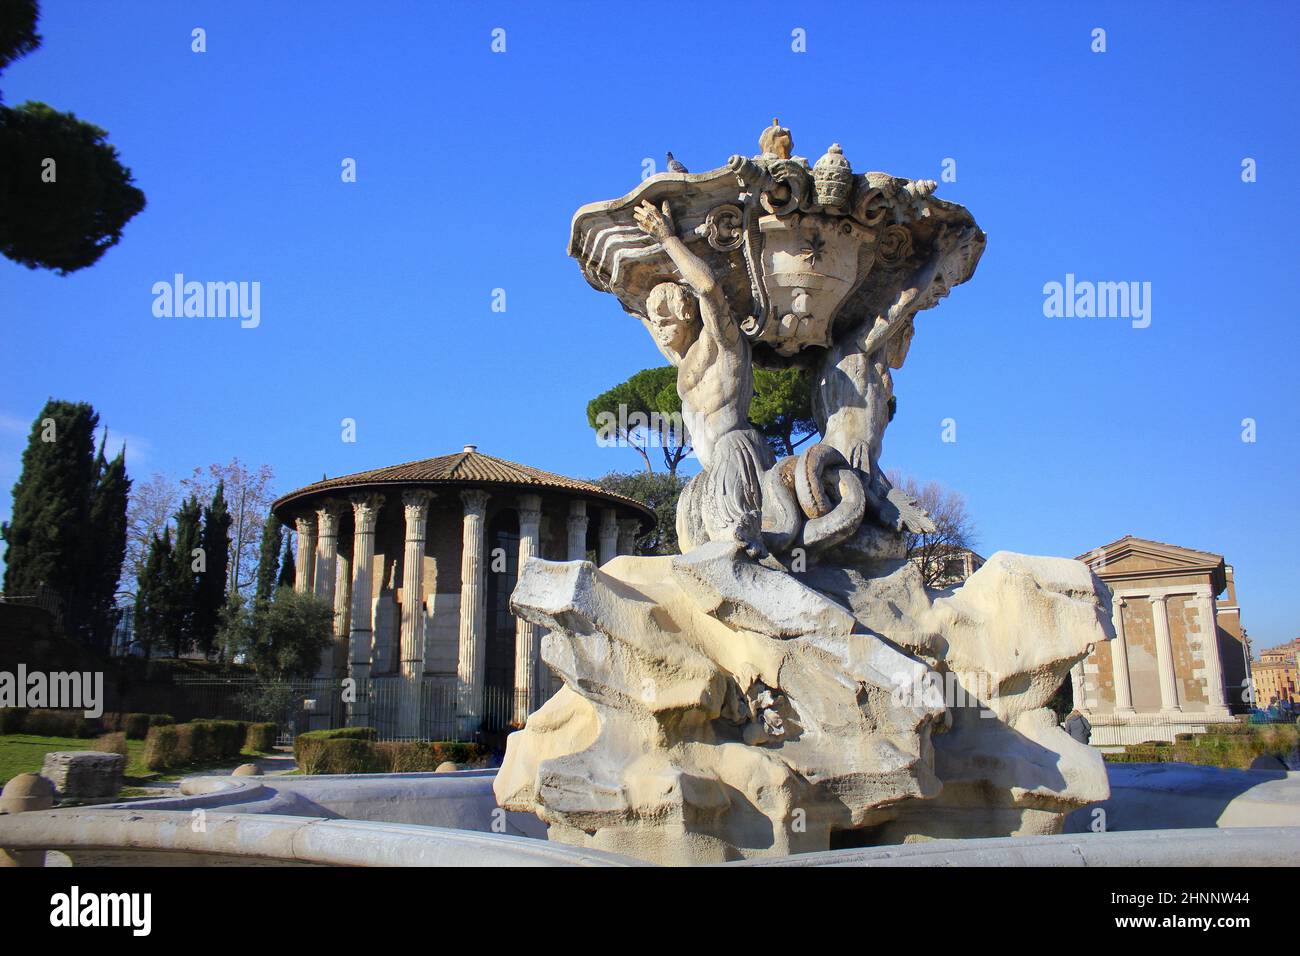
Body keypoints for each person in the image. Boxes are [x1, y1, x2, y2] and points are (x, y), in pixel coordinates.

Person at [633, 199, 773, 557]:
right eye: (657, 322)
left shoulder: (723, 341)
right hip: (707, 474)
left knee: (736, 554)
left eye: (667, 321)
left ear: (686, 313)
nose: (660, 330)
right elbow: (641, 318)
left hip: (735, 455)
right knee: (693, 558)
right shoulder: (682, 360)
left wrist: (667, 238)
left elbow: (708, 288)